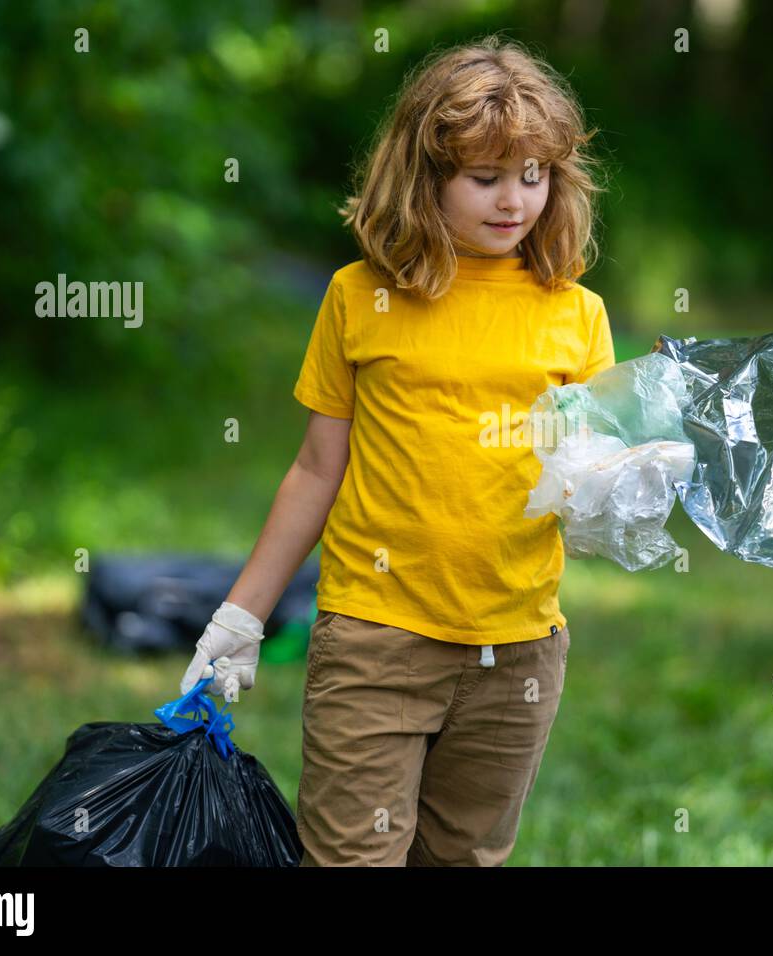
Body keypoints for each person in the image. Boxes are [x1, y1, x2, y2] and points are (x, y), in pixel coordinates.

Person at [179, 35, 615, 866]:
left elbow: (595, 463)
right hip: (376, 640)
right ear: (424, 178)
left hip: (517, 649)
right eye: (484, 178)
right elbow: (316, 467)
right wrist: (242, 615)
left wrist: (625, 475)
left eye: (534, 176)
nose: (513, 201)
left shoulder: (576, 312)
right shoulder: (360, 298)